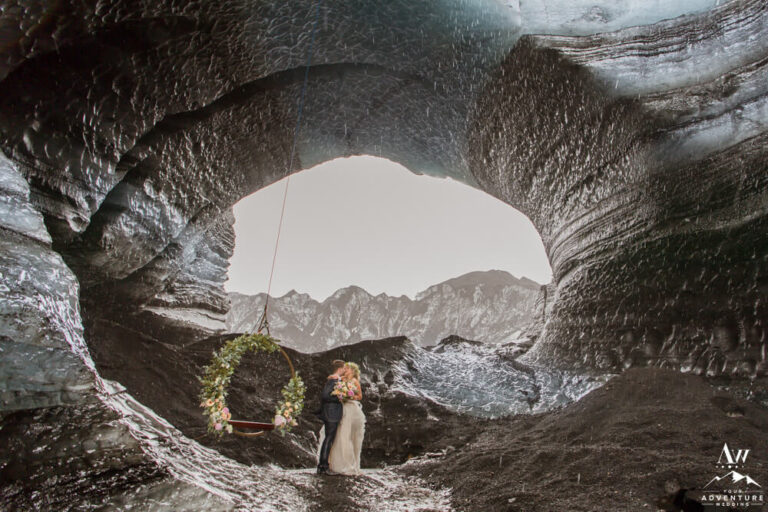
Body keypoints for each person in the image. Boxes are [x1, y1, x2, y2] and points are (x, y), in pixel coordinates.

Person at [316, 361, 366, 476]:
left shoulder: (354, 381)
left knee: (346, 435)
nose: (346, 370)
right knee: (338, 437)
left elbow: (360, 396)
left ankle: (349, 465)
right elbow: (334, 380)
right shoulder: (341, 379)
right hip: (340, 410)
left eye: (348, 368)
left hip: (350, 409)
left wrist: (348, 396)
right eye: (345, 368)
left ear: (352, 371)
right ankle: (333, 464)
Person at [316, 360, 345, 475]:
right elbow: (325, 395)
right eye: (344, 368)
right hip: (331, 412)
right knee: (329, 438)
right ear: (340, 368)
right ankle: (323, 466)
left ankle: (323, 465)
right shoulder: (333, 379)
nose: (344, 370)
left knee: (330, 438)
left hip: (332, 412)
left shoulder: (335, 379)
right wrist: (339, 398)